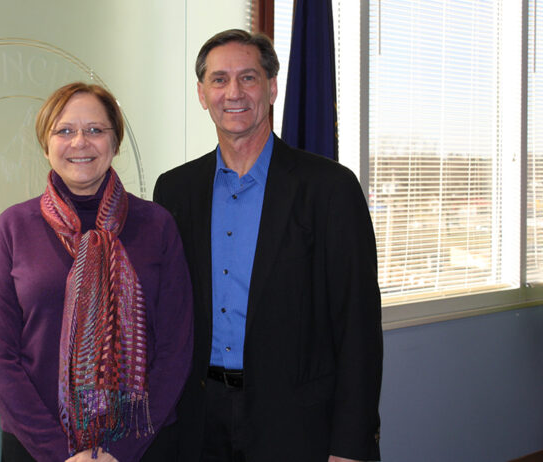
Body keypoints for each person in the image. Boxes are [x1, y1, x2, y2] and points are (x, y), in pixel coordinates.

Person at [153, 29, 383, 462]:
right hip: (199, 418)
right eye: (219, 80)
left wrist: (351, 445)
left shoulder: (329, 188)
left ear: (272, 88)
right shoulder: (175, 190)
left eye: (249, 78)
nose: (233, 92)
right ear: (202, 94)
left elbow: (358, 325)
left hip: (296, 422)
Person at [0, 82, 193, 462]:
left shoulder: (157, 225)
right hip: (37, 447)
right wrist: (60, 454)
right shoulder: (13, 227)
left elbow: (175, 349)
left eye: (95, 130)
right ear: (46, 145)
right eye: (64, 130)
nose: (80, 142)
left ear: (115, 142)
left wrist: (119, 451)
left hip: (142, 446)